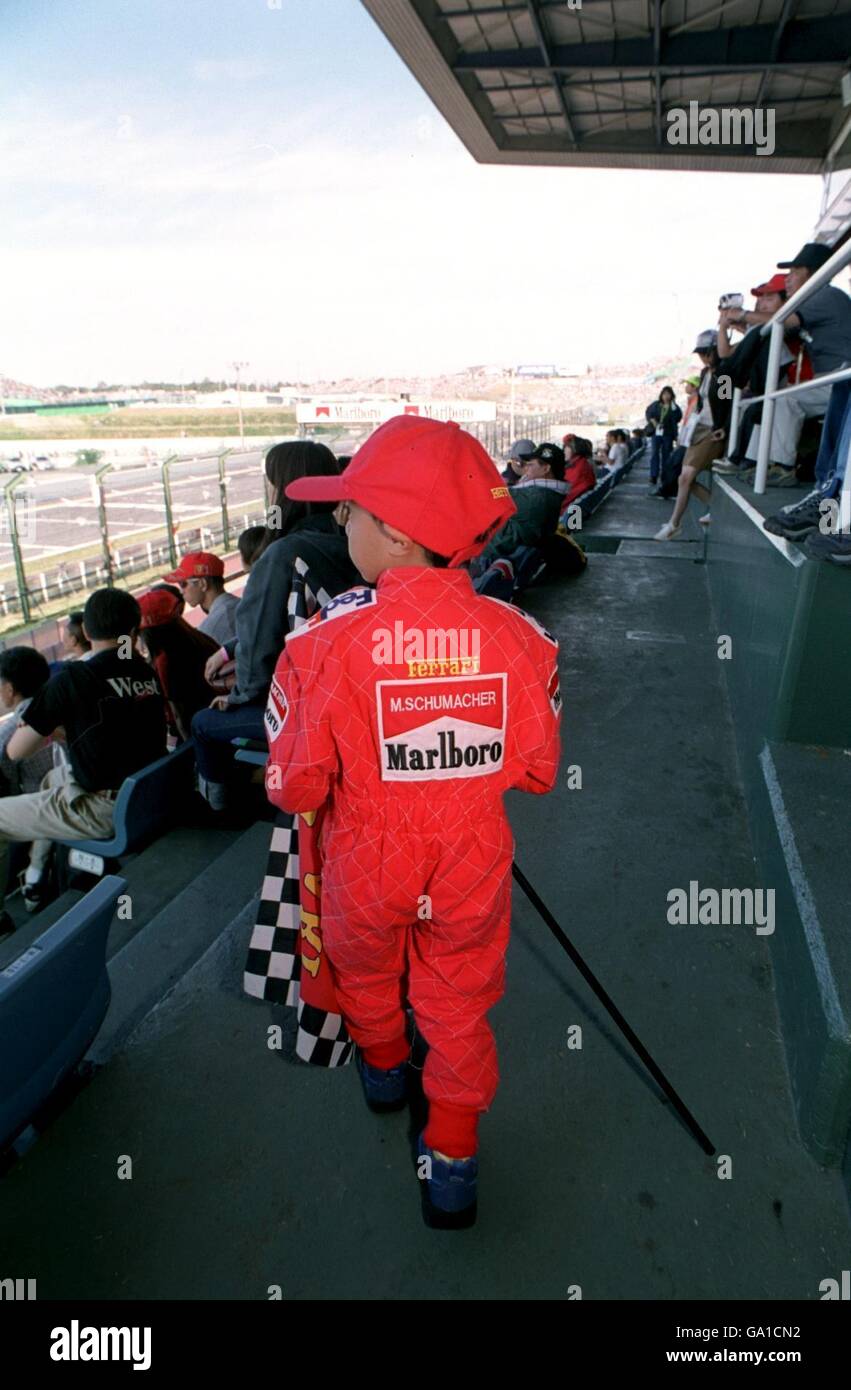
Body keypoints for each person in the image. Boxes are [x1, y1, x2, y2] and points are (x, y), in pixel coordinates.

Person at [264, 414, 561, 1227]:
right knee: (458, 1005)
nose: (341, 523)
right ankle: (453, 1163)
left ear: (393, 530)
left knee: (365, 975)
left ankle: (386, 1072)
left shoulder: (321, 644)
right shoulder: (522, 637)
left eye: (349, 510)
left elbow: (293, 786)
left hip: (364, 858)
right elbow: (537, 771)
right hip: (473, 857)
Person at [192, 441, 360, 810]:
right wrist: (230, 649)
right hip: (352, 703)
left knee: (203, 723)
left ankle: (221, 808)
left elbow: (258, 656)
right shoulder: (354, 542)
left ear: (280, 488)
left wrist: (237, 698)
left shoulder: (280, 554)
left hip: (307, 715)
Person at [0, 589, 167, 936]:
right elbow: (114, 728)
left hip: (104, 809)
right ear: (133, 630)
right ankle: (38, 875)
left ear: (86, 632)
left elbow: (16, 751)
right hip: (149, 796)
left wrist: (50, 721)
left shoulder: (72, 679)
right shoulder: (146, 671)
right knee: (53, 780)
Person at [738, 243, 851, 484]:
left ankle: (780, 467)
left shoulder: (824, 296)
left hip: (841, 378)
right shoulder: (817, 299)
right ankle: (751, 461)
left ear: (811, 273)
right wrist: (734, 327)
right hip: (830, 378)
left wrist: (743, 315)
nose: (788, 279)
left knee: (778, 400)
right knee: (760, 402)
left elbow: (780, 322)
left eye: (793, 272)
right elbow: (726, 359)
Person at [655, 330, 730, 541]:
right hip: (699, 429)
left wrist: (724, 426)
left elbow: (727, 404)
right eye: (701, 353)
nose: (703, 357)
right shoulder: (706, 373)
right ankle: (715, 508)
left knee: (686, 477)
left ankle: (674, 523)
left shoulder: (724, 374)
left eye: (706, 352)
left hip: (713, 430)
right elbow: (703, 405)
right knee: (683, 478)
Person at [0, 648, 55, 920]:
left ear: (10, 689)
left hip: (41, 805)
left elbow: (8, 785)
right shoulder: (62, 706)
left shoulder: (9, 732)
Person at [136, 589, 219, 742]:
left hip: (199, 732)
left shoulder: (164, 661)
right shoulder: (198, 638)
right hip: (215, 716)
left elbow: (179, 714)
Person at [473, 441, 568, 571]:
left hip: (491, 553)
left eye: (530, 464)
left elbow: (491, 495)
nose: (526, 468)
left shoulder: (536, 496)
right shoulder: (548, 493)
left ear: (546, 469)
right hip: (508, 552)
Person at [163, 551, 239, 647]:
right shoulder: (241, 604)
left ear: (203, 584)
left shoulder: (209, 630)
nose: (181, 591)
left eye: (183, 584)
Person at [651, 376, 701, 499]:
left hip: (688, 440)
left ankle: (668, 490)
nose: (686, 387)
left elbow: (690, 422)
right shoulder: (692, 401)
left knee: (673, 464)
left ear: (694, 387)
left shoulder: (696, 402)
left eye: (688, 384)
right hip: (685, 439)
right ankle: (667, 489)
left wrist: (682, 437)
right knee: (672, 463)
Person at [645, 387, 682, 491]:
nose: (666, 396)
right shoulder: (656, 405)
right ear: (661, 395)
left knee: (666, 454)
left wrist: (676, 435)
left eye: (668, 394)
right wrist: (653, 421)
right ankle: (653, 475)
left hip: (668, 433)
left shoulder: (674, 407)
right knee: (654, 453)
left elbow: (678, 418)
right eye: (664, 394)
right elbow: (648, 413)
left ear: (672, 396)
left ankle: (664, 476)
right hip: (656, 432)